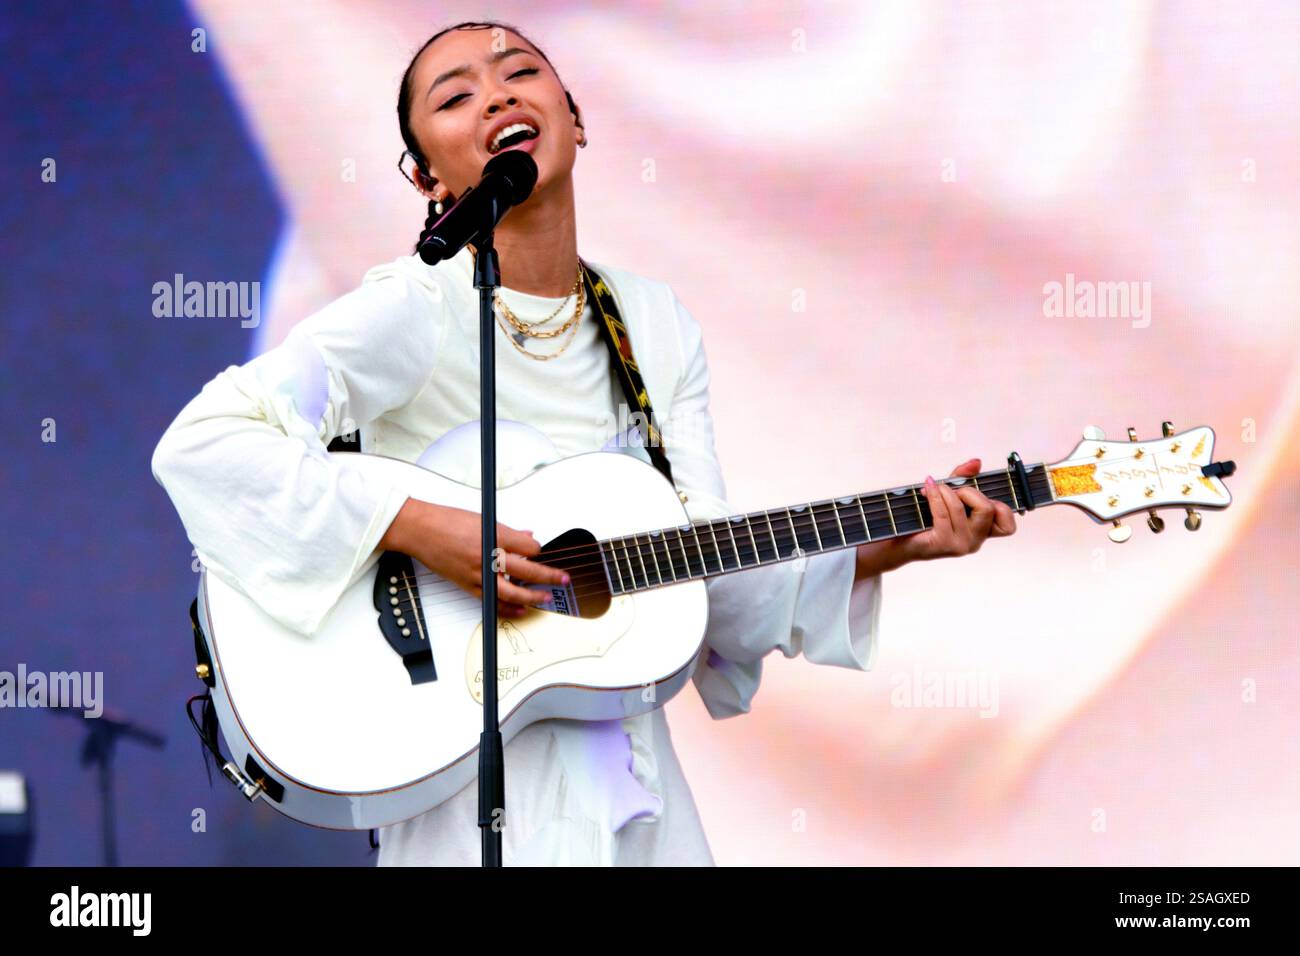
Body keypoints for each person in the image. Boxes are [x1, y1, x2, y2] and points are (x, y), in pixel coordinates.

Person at [150, 20, 1016, 866]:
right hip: (469, 797)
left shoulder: (654, 327)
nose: (495, 96)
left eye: (519, 74)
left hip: (635, 801)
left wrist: (884, 549)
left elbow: (700, 585)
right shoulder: (413, 309)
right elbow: (207, 443)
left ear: (575, 117)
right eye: (456, 97)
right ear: (426, 177)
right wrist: (422, 528)